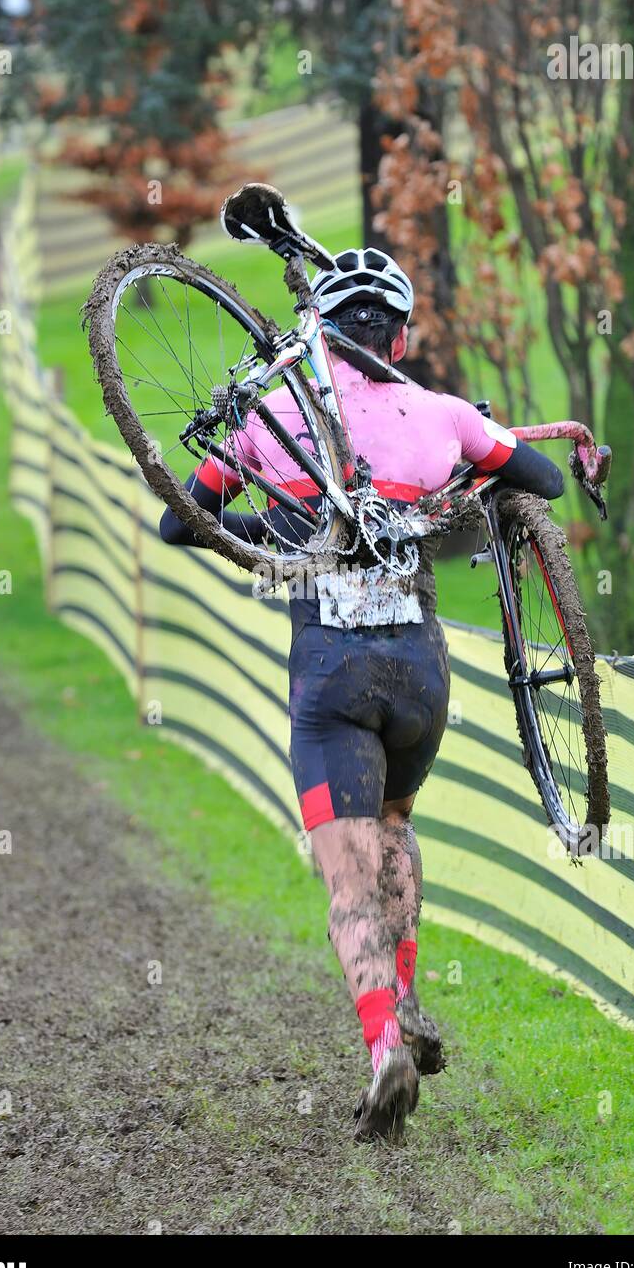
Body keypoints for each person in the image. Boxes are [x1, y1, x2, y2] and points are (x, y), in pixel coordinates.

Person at [160, 247, 564, 1141]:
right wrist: (466, 459)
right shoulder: (442, 413)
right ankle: (408, 993)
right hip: (421, 675)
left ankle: (385, 1047)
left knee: (347, 884)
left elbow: (181, 520)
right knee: (395, 827)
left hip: (330, 680)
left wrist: (288, 524)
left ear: (320, 331)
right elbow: (545, 480)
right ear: (401, 338)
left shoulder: (269, 413)